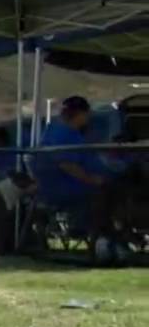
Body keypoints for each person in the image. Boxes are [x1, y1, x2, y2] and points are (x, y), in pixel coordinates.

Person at [35, 96, 109, 234]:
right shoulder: (62, 133)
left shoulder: (58, 129)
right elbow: (67, 165)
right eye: (87, 114)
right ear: (81, 114)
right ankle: (106, 236)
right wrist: (93, 179)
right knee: (115, 190)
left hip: (61, 184)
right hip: (66, 186)